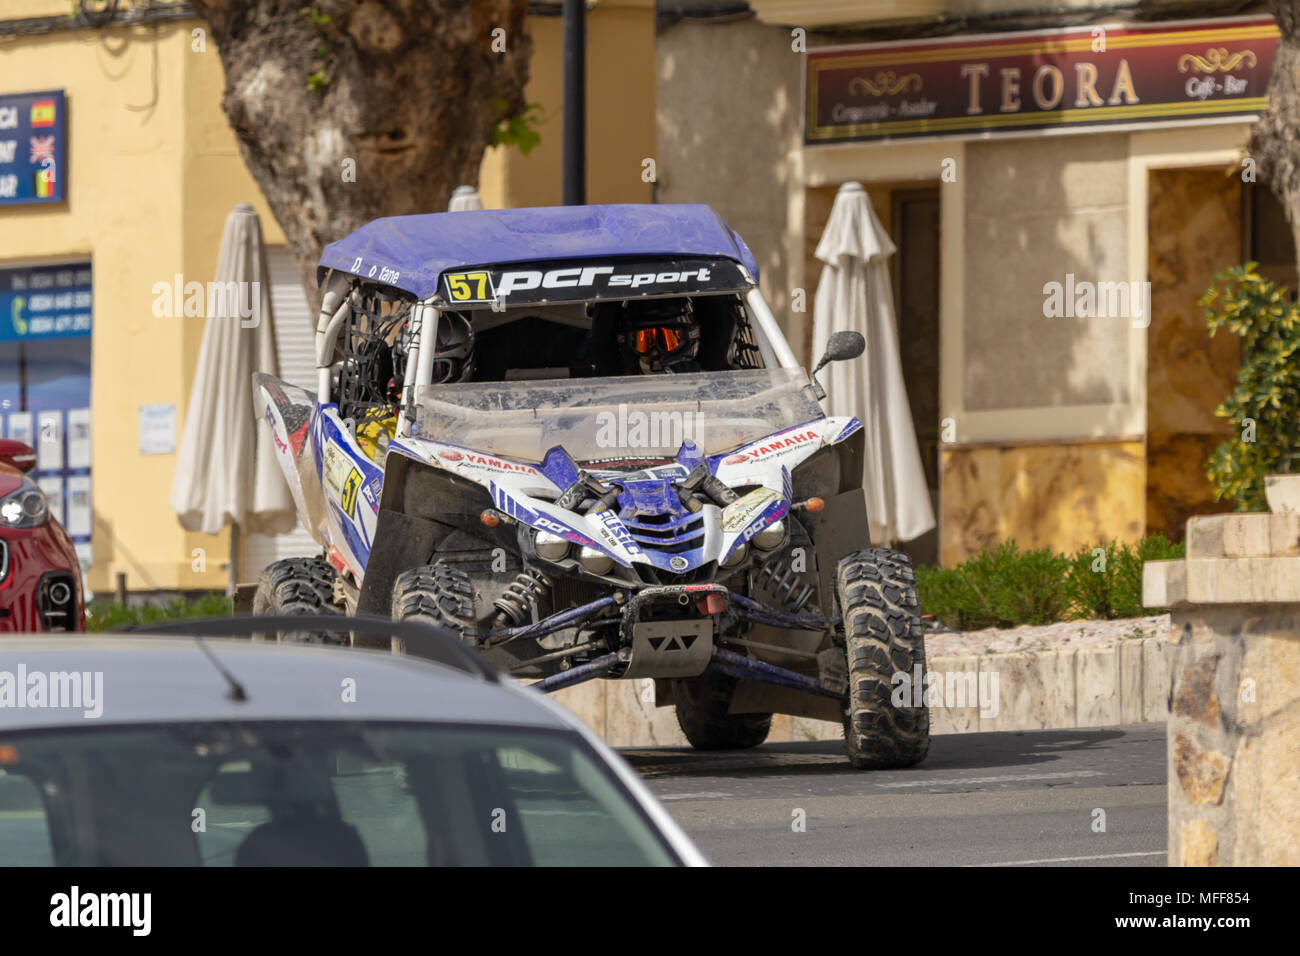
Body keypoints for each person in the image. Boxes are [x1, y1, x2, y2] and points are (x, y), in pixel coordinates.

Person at [617, 297, 701, 374]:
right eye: (645, 342)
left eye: (666, 341)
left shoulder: (705, 380)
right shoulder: (617, 382)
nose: (655, 353)